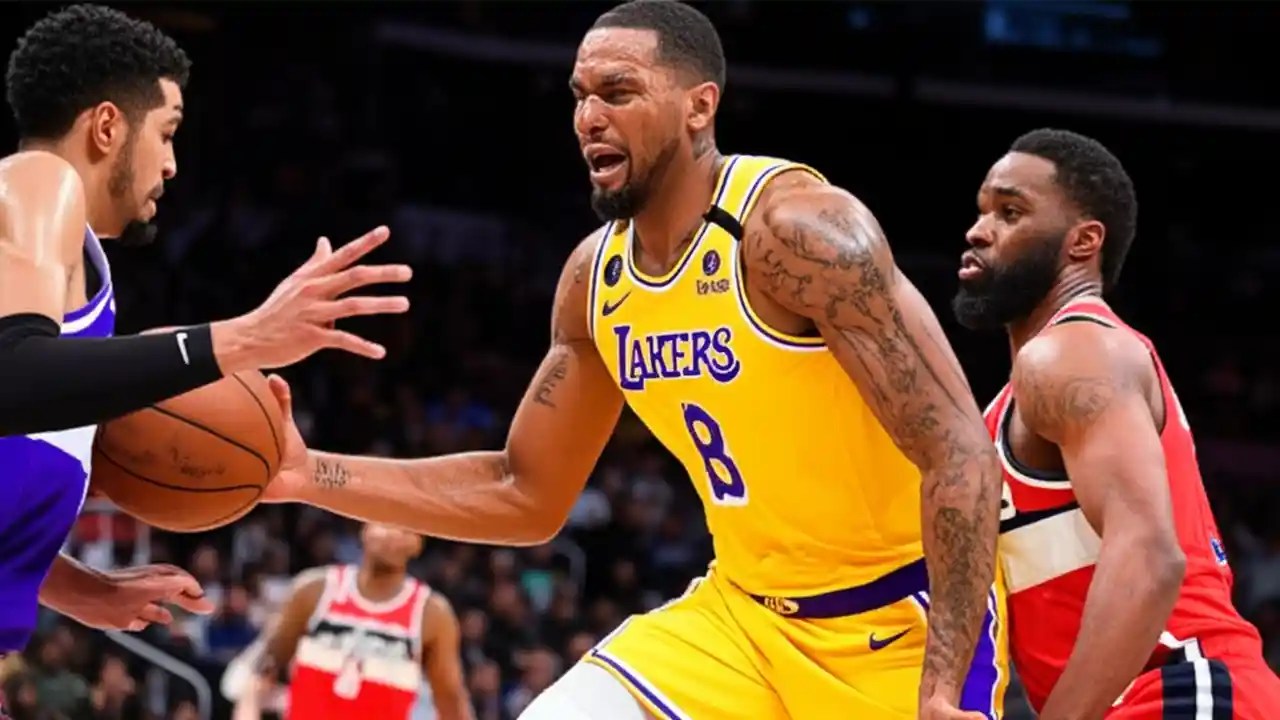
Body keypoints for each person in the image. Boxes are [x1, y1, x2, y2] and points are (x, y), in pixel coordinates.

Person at [263, 2, 1006, 718]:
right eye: (581, 97)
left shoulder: (797, 232)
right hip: (740, 621)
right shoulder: (595, 281)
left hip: (899, 622)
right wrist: (306, 473)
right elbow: (524, 492)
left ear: (698, 107)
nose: (590, 117)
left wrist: (945, 679)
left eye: (618, 92)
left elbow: (961, 452)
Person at [0, 4, 410, 654]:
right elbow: (12, 378)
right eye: (166, 133)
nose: (171, 165)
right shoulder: (35, 182)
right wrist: (241, 338)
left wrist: (82, 590)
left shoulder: (73, 290)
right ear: (106, 126)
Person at [954, 127, 1280, 719]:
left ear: (1083, 242)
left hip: (1180, 687)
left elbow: (1152, 559)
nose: (978, 231)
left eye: (1010, 212)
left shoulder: (1072, 354)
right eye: (981, 212)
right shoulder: (1018, 396)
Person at [221, 523, 471, 720]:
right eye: (384, 522)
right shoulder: (314, 590)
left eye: (404, 529)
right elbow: (260, 674)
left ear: (418, 543)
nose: (392, 534)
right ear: (364, 529)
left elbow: (451, 704)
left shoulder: (432, 614)